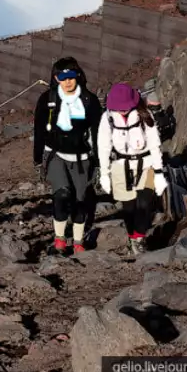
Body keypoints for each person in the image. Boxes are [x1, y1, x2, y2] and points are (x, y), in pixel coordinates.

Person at [31, 56, 104, 254]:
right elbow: (38, 129)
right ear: (55, 78)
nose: (68, 81)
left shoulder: (89, 100)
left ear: (78, 76)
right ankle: (60, 238)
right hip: (56, 155)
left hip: (82, 158)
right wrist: (38, 158)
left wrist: (99, 160)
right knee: (62, 194)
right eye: (62, 77)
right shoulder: (47, 100)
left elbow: (97, 131)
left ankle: (78, 240)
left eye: (71, 76)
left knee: (81, 200)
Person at [97, 82, 167, 256]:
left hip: (146, 163)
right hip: (121, 166)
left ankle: (139, 239)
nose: (122, 111)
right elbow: (103, 146)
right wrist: (104, 174)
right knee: (128, 208)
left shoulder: (144, 115)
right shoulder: (108, 119)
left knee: (144, 203)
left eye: (125, 107)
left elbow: (154, 144)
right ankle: (132, 237)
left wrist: (158, 172)